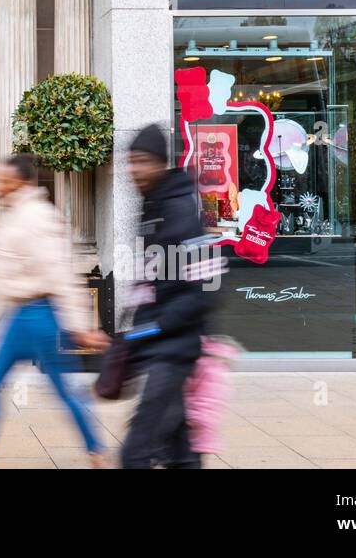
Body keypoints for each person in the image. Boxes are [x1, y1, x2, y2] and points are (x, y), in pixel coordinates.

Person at [0, 154, 109, 470]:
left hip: (40, 317)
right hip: (19, 317)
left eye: (1, 179)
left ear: (19, 181)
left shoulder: (38, 216)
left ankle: (97, 452)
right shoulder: (13, 213)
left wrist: (81, 325)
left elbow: (60, 273)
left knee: (63, 390)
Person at [119, 124, 213, 470]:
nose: (133, 171)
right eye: (129, 162)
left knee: (135, 452)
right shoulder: (151, 207)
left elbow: (205, 290)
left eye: (140, 162)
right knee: (181, 452)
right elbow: (151, 278)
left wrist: (153, 327)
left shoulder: (183, 213)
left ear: (160, 163)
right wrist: (132, 330)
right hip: (158, 345)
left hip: (174, 350)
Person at [185, 335, 240, 466]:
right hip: (188, 431)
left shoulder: (211, 368)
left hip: (195, 434)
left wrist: (187, 418)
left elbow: (207, 403)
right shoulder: (201, 363)